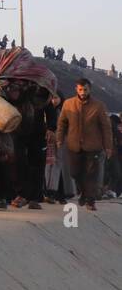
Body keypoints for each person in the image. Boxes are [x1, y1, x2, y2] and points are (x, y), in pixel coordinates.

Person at [56, 80, 113, 211]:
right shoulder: (68, 104)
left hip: (93, 146)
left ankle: (90, 201)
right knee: (74, 172)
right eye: (80, 89)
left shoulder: (99, 106)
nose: (83, 92)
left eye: (85, 90)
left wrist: (108, 146)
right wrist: (59, 139)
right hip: (73, 145)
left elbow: (106, 127)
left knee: (91, 174)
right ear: (76, 89)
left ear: (90, 89)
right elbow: (62, 124)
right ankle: (83, 192)